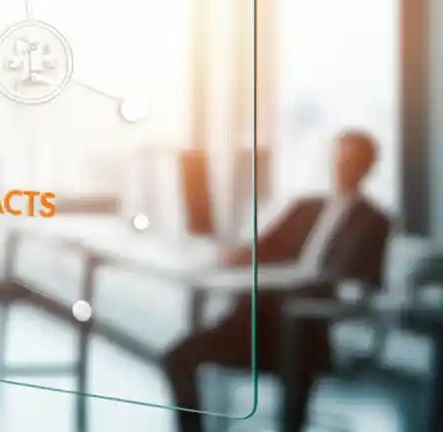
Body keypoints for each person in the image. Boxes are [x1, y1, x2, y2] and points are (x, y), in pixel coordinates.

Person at [162, 130, 392, 432]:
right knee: (178, 357)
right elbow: (262, 249)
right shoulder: (306, 207)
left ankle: (291, 424)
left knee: (297, 323)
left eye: (351, 160)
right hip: (259, 319)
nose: (342, 167)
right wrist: (229, 255)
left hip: (311, 326)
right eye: (338, 158)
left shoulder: (374, 221)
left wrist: (331, 288)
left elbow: (368, 282)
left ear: (368, 168)